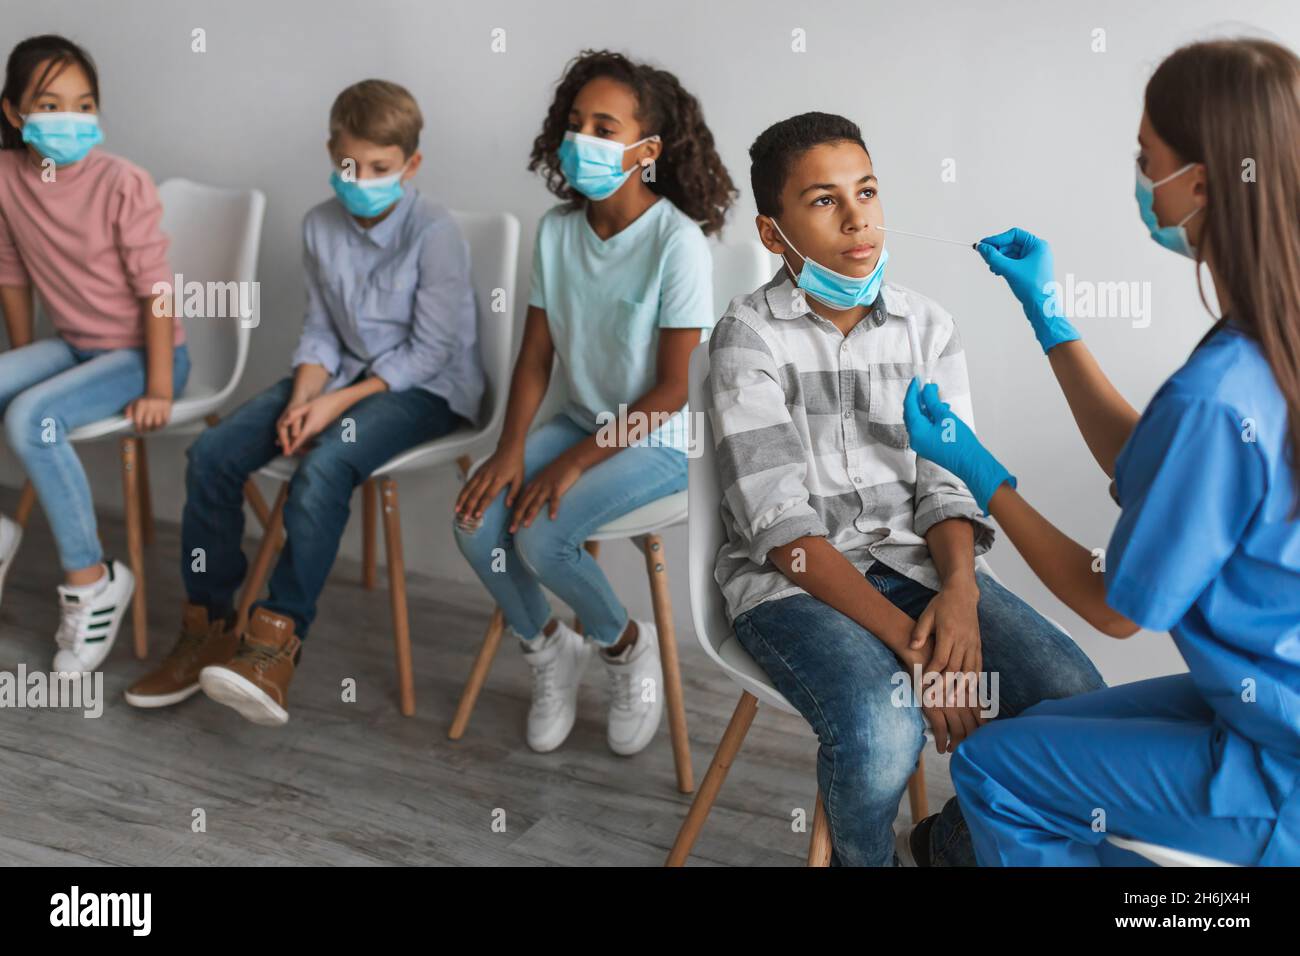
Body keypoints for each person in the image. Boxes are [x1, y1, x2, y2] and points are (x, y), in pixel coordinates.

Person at [902, 38, 1300, 866]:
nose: (1138, 178)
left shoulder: (1221, 391)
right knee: (1043, 731)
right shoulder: (1269, 337)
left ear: (1199, 182)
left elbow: (1113, 606)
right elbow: (1152, 465)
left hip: (1280, 769)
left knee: (991, 770)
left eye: (1144, 158)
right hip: (1266, 707)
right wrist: (1050, 317)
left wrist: (984, 476)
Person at [707, 111, 1105, 867]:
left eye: (867, 191)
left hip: (924, 566)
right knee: (878, 728)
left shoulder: (928, 326)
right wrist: (915, 652)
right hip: (794, 586)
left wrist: (958, 594)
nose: (859, 219)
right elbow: (785, 533)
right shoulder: (748, 339)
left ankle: (947, 848)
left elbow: (946, 487)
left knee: (1073, 699)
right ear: (772, 232)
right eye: (824, 201)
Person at [125, 79, 482, 725]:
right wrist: (309, 393)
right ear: (330, 152)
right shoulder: (319, 224)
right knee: (213, 452)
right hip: (340, 376)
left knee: (323, 466)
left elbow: (431, 352)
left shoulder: (435, 233)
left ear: (411, 165)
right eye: (350, 165)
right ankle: (209, 626)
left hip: (424, 391)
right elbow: (320, 328)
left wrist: (335, 406)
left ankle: (274, 644)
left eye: (380, 168)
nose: (362, 178)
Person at [453, 50, 736, 756]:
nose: (581, 139)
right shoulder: (556, 231)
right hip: (585, 419)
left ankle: (622, 645)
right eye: (574, 123)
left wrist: (571, 465)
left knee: (543, 535)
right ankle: (550, 649)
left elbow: (673, 388)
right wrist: (513, 448)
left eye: (603, 127)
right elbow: (535, 358)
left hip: (667, 438)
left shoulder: (678, 243)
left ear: (645, 151)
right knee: (473, 521)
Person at [0, 35, 189, 672]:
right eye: (50, 104)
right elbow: (11, 275)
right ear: (13, 113)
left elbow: (158, 293)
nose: (70, 119)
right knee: (14, 393)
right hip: (74, 347)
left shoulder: (120, 182)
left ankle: (93, 584)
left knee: (33, 418)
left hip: (144, 355)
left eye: (84, 105)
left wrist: (160, 386)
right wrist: (23, 364)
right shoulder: (5, 179)